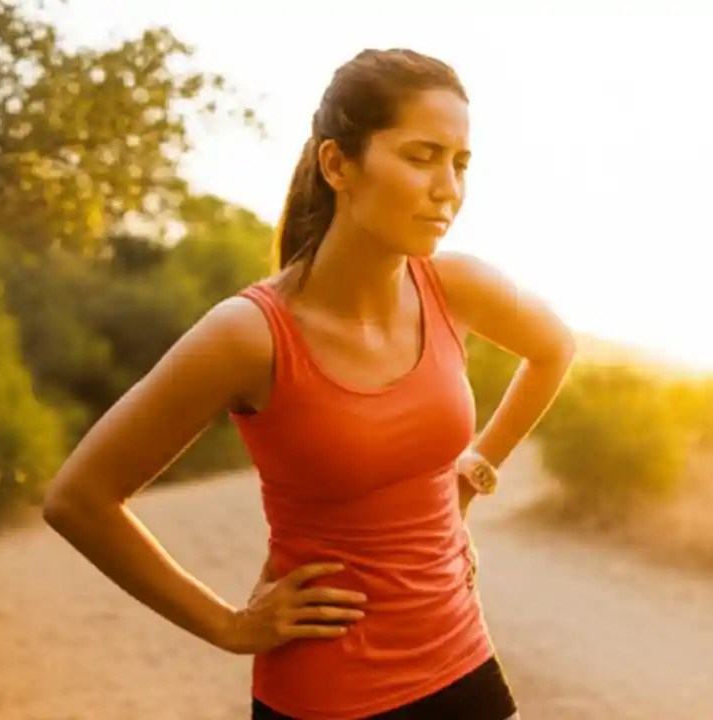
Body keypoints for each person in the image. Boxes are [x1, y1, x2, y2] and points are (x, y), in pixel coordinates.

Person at [42, 47, 576, 720]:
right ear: (337, 164)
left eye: (460, 162)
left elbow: (555, 348)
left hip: (465, 671)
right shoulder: (250, 334)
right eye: (421, 156)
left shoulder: (454, 286)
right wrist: (230, 626)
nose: (448, 188)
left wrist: (476, 471)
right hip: (327, 699)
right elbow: (78, 499)